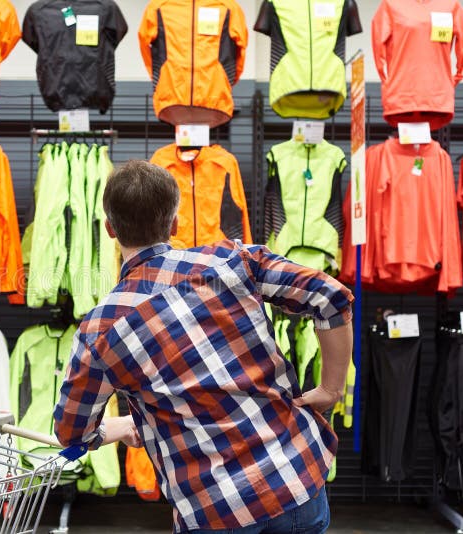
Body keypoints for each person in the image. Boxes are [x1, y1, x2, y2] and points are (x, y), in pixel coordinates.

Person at [53, 160, 354, 533]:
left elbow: (71, 433)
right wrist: (331, 389)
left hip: (213, 508)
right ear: (175, 223)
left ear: (110, 229)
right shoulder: (234, 260)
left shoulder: (101, 328)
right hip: (294, 480)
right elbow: (330, 297)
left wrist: (118, 428)